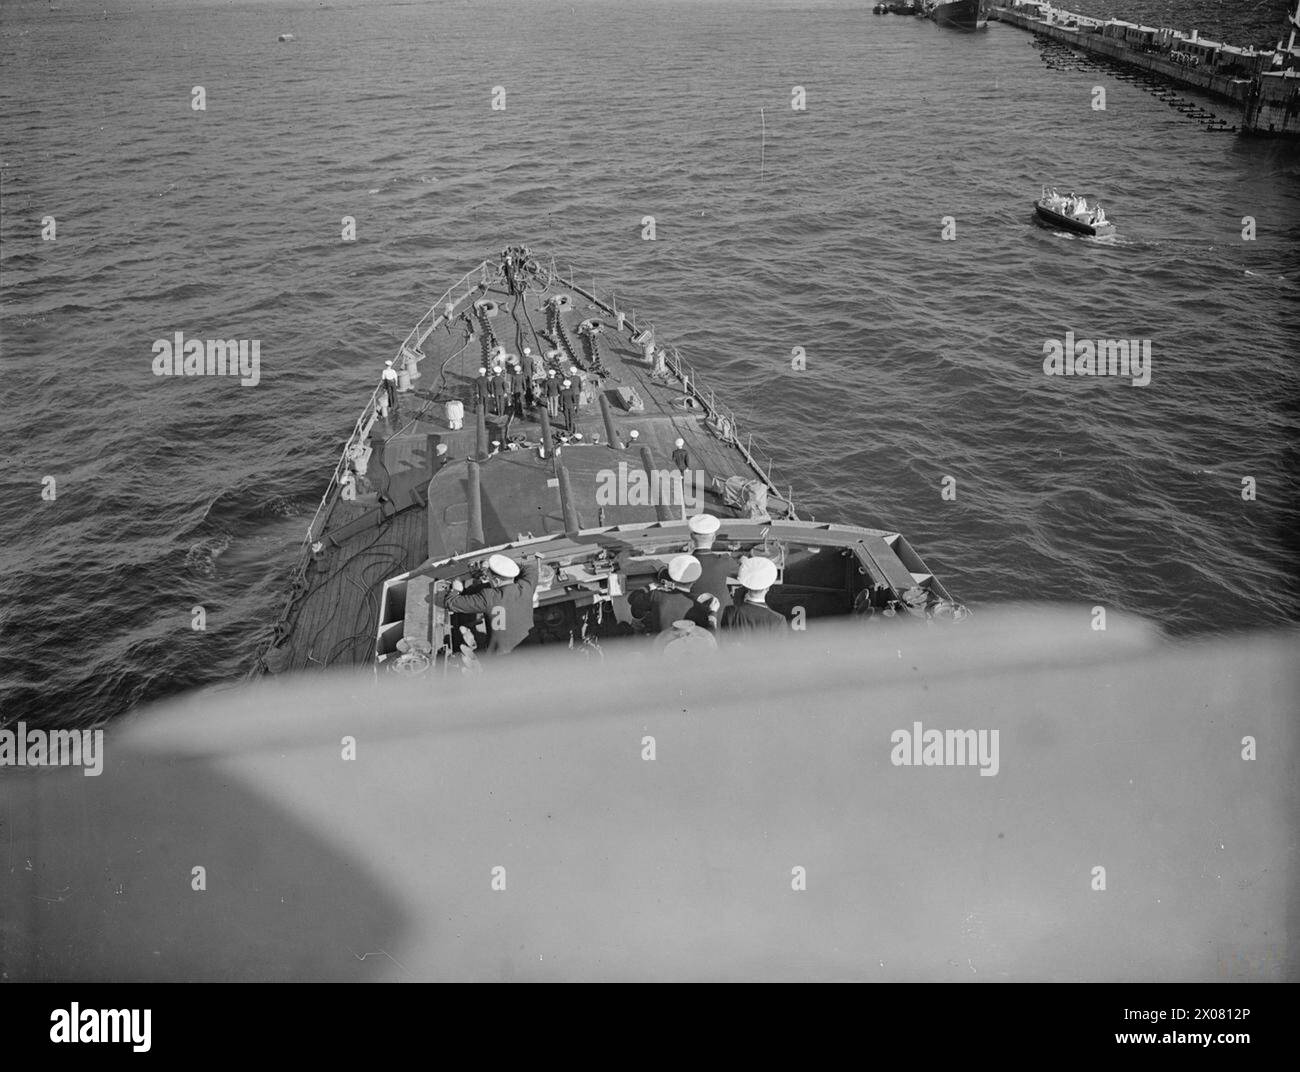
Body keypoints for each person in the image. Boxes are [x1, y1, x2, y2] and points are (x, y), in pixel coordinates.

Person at [440, 553, 541, 654]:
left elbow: (450, 602)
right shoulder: (526, 587)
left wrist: (456, 590)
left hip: (499, 658)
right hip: (530, 650)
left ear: (496, 580)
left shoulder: (489, 597)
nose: (487, 578)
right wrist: (505, 566)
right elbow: (530, 569)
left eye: (488, 576)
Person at [636, 555, 702, 634]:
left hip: (658, 642)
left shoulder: (656, 594)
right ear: (695, 581)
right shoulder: (699, 603)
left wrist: (650, 587)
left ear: (672, 577)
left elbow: (632, 600)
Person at [720, 556, 787, 633]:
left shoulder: (730, 612)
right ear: (767, 588)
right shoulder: (778, 620)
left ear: (746, 586)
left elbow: (724, 642)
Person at [685, 514, 733, 613]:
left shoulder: (684, 564)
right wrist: (744, 560)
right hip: (722, 615)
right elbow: (744, 573)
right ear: (714, 538)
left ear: (691, 537)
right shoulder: (724, 561)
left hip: (693, 614)